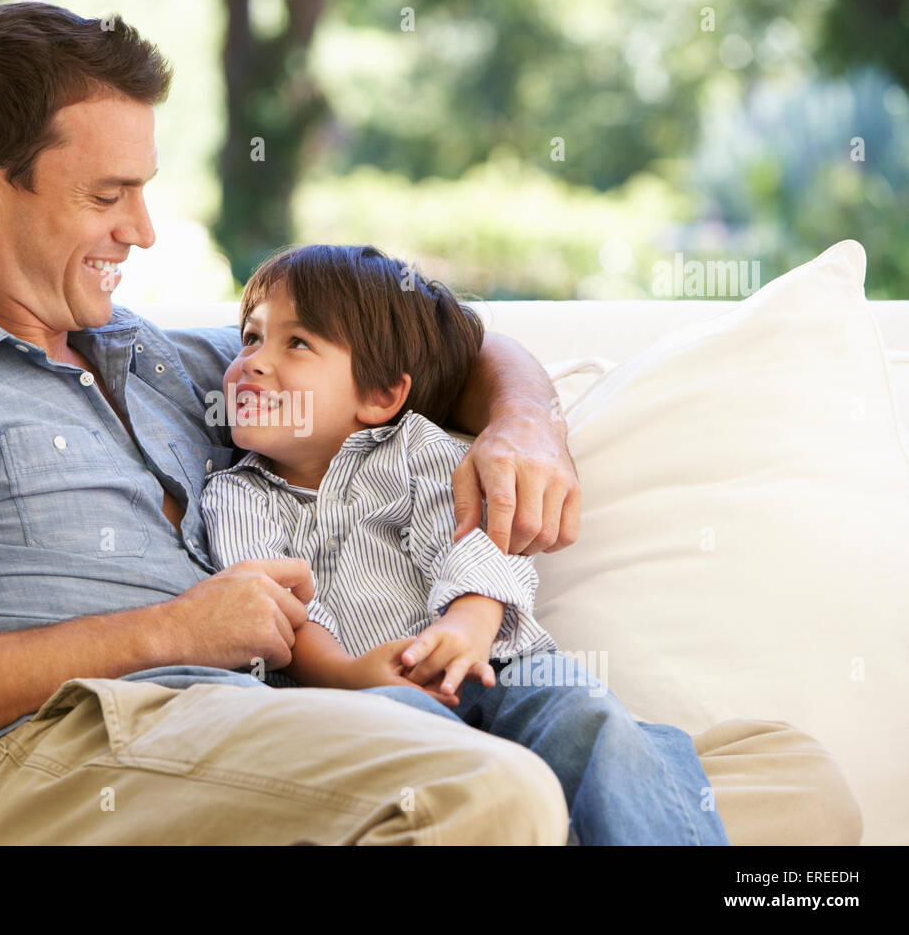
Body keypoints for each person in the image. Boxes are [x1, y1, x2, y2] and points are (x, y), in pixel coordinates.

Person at [0, 1, 861, 845]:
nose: (140, 227)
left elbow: (448, 349)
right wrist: (167, 631)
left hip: (269, 728)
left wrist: (526, 427)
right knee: (485, 790)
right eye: (103, 196)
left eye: (143, 188)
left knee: (789, 783)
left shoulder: (158, 359)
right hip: (73, 748)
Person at [199, 243, 731, 844]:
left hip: (495, 666)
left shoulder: (419, 452)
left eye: (295, 343)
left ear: (380, 396)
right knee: (420, 742)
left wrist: (469, 627)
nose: (251, 363)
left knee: (586, 715)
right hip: (354, 697)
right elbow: (276, 608)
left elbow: (473, 538)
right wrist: (350, 674)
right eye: (249, 338)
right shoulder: (234, 493)